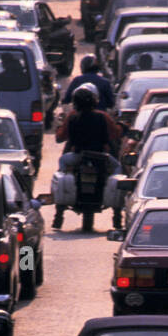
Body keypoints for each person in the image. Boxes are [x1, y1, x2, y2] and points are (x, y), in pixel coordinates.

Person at [54, 84, 123, 228]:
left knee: (62, 164)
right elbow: (115, 134)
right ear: (94, 101)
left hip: (78, 157)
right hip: (101, 158)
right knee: (118, 168)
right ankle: (117, 215)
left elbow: (61, 138)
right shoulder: (102, 117)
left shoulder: (72, 117)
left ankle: (58, 212)